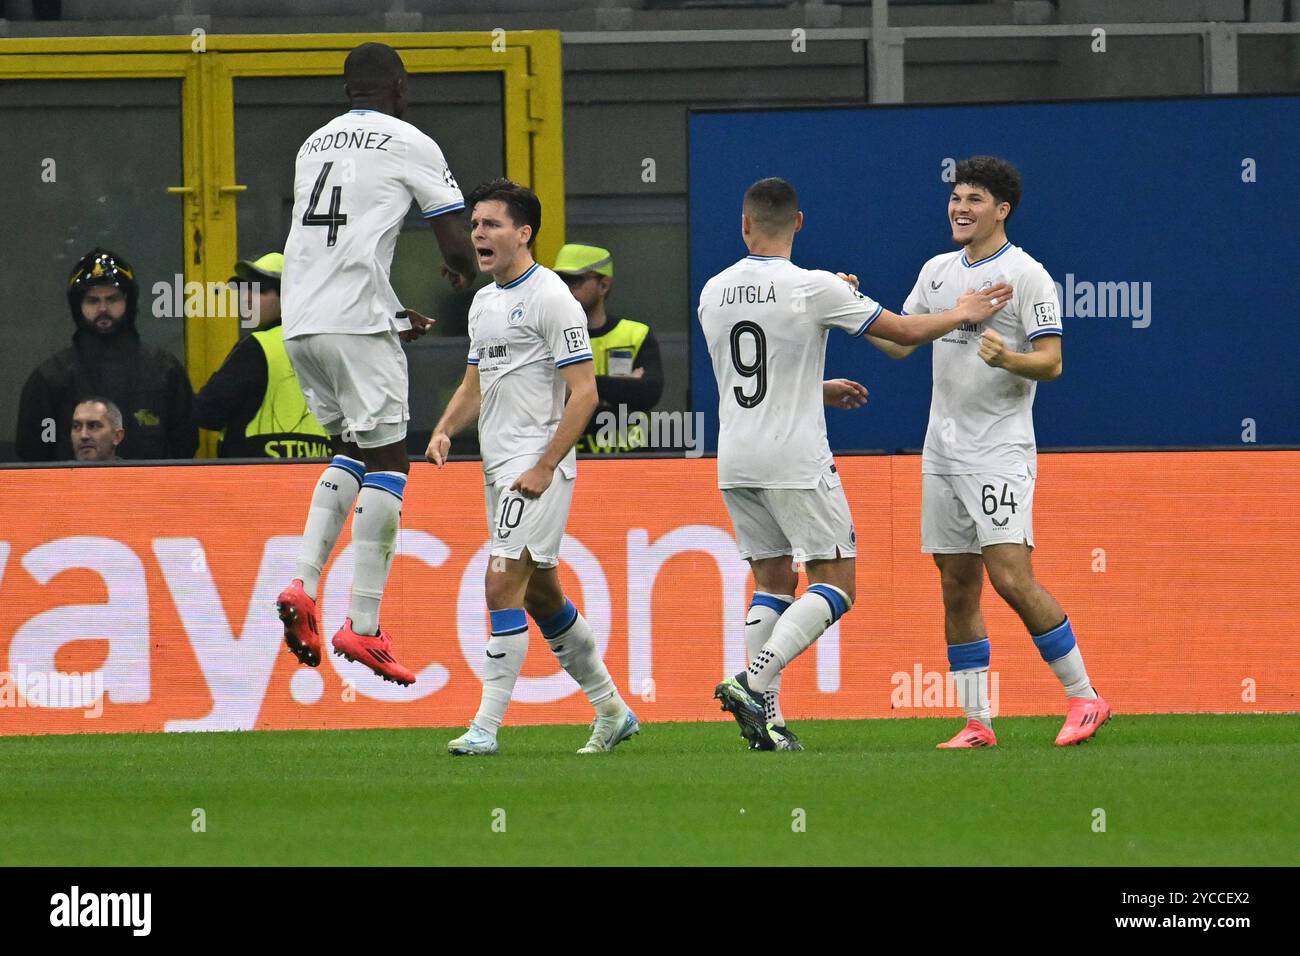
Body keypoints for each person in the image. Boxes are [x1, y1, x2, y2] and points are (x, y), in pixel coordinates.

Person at [699, 177, 1011, 751]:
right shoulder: (815, 287)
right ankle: (752, 681)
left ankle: (767, 722)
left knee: (771, 581)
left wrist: (818, 387)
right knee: (836, 584)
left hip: (736, 459)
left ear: (744, 225)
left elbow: (751, 376)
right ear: (799, 223)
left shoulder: (713, 291)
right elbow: (904, 331)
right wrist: (962, 311)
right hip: (793, 456)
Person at [870, 156, 1110, 748]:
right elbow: (900, 345)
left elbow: (1052, 362)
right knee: (956, 582)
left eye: (974, 199)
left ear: (1001, 211)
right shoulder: (935, 271)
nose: (959, 207)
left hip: (999, 450)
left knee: (1009, 576)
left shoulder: (1028, 275)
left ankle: (1085, 697)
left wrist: (1008, 358)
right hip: (941, 451)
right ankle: (978, 723)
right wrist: (854, 310)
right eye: (955, 197)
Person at [273, 41, 477, 686]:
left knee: (350, 453)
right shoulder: (410, 140)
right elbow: (457, 237)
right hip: (354, 325)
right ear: (402, 87)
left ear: (345, 91)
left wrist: (389, 315)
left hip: (302, 321)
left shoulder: (312, 144)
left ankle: (303, 585)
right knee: (390, 461)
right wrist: (467, 274)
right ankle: (363, 626)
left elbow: (337, 251)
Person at [427, 179, 638, 755]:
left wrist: (547, 464)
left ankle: (485, 728)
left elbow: (585, 393)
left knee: (500, 581)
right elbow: (475, 384)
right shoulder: (483, 301)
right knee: (541, 594)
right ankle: (612, 709)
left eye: (491, 224)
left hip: (537, 468)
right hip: (499, 468)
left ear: (524, 234)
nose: (477, 234)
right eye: (474, 224)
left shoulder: (551, 298)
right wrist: (446, 428)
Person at [16, 248, 197, 462]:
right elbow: (33, 451)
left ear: (128, 302)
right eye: (93, 300)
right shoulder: (51, 377)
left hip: (149, 492)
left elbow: (185, 444)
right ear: (78, 306)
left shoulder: (164, 370)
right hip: (74, 492)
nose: (103, 308)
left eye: (112, 299)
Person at [192, 252, 332, 458]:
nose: (247, 298)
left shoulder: (258, 346)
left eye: (260, 290)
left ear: (288, 296)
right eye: (245, 289)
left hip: (257, 476)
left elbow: (207, 412)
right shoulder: (331, 346)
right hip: (320, 473)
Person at [552, 243, 664, 453]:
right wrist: (620, 388)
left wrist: (577, 390)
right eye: (561, 281)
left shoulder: (636, 334)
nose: (566, 289)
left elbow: (648, 393)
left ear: (603, 285)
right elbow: (544, 403)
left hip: (631, 459)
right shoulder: (549, 338)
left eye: (575, 280)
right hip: (569, 461)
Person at [70, 397, 125, 462]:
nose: (83, 436)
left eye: (94, 426)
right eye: (76, 427)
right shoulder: (59, 470)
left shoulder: (134, 471)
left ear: (117, 436)